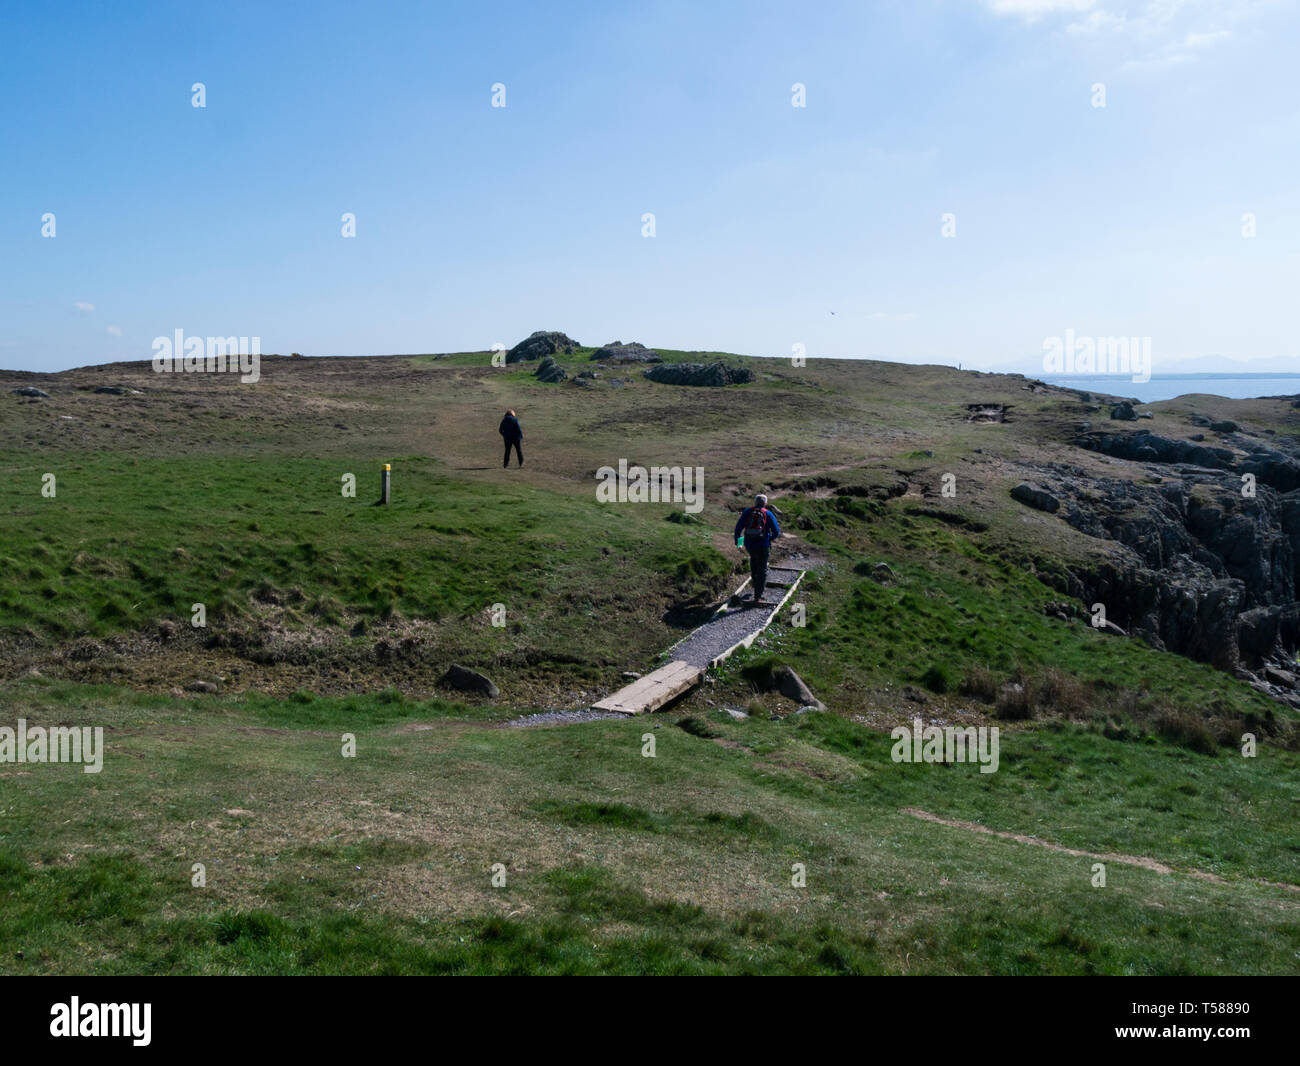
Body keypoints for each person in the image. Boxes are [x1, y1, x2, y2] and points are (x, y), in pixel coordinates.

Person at [733, 493, 781, 606]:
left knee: (754, 563)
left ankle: (755, 585)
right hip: (763, 545)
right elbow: (776, 532)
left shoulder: (747, 512)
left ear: (755, 502)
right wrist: (768, 539)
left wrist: (738, 543)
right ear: (765, 503)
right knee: (762, 569)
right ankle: (758, 596)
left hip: (749, 545)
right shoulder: (768, 513)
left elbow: (738, 529)